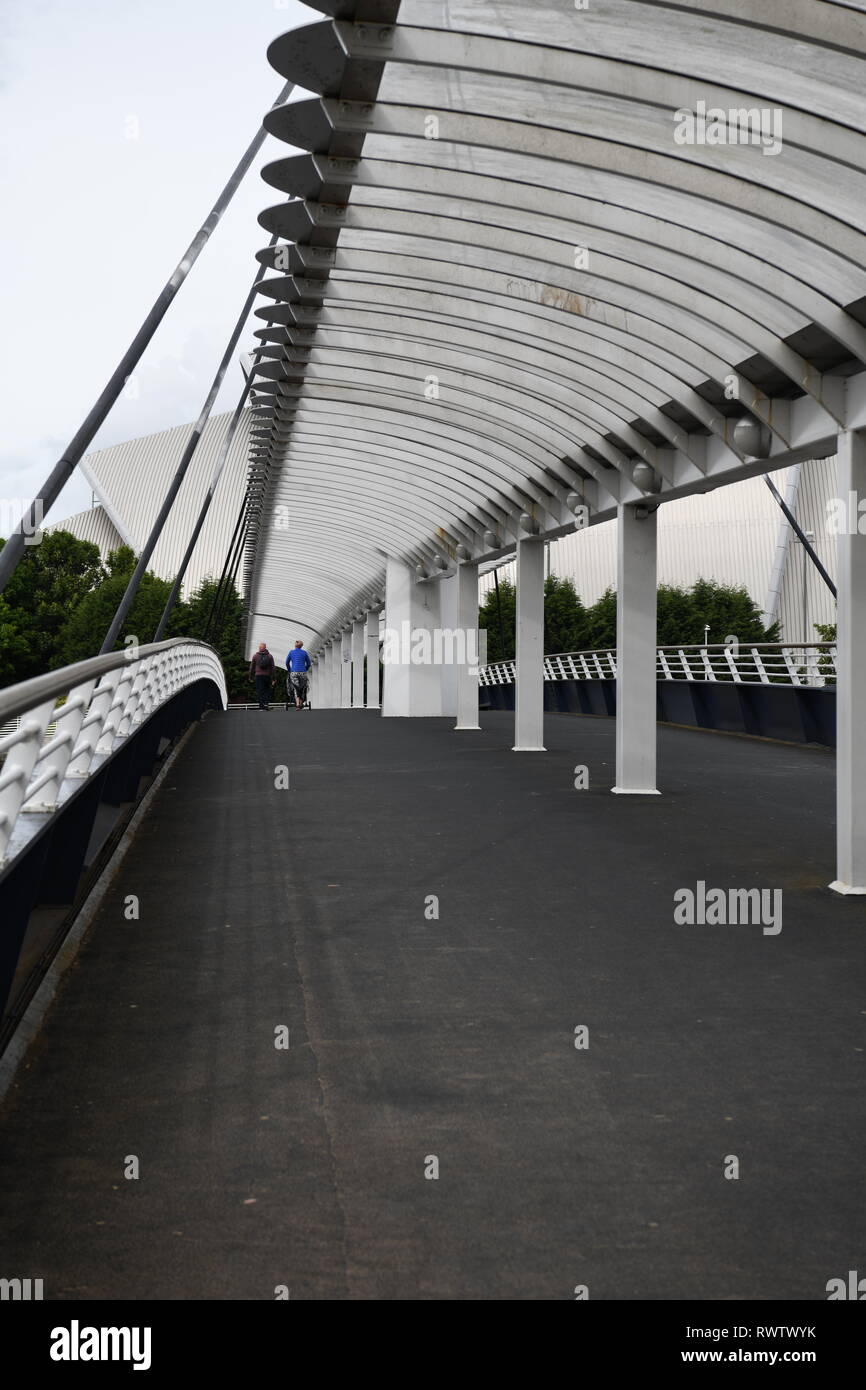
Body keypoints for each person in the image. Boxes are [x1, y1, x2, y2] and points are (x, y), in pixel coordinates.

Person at [286, 639, 312, 709]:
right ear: (301, 646)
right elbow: (309, 663)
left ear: (295, 645)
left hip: (294, 672)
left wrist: (290, 670)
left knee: (296, 687)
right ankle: (301, 703)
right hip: (303, 673)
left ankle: (297, 704)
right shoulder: (304, 653)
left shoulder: (291, 652)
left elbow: (287, 662)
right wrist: (305, 669)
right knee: (303, 687)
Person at [250, 642, 275, 710]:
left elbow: (252, 667)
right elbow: (273, 667)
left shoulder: (255, 656)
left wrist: (250, 677)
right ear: (265, 648)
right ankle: (266, 703)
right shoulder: (270, 656)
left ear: (259, 648)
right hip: (267, 675)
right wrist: (274, 678)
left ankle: (261, 706)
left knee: (260, 691)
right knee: (267, 689)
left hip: (258, 675)